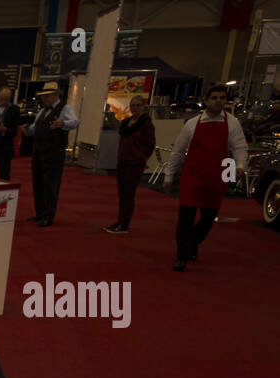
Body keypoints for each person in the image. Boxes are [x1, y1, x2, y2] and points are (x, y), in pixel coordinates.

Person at [164, 84, 249, 270]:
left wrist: (240, 166)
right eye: (214, 98)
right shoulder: (192, 124)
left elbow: (240, 147)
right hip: (192, 174)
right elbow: (178, 151)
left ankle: (193, 242)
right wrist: (169, 176)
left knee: (209, 217)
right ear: (206, 100)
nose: (218, 101)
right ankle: (181, 256)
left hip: (219, 175)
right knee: (186, 216)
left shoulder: (233, 123)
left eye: (221, 98)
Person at [25, 81, 78, 227]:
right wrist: (27, 130)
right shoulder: (43, 111)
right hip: (39, 151)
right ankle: (40, 213)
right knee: (38, 183)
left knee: (50, 185)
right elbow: (35, 128)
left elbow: (74, 122)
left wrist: (62, 124)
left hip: (54, 152)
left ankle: (48, 215)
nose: (44, 99)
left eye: (47, 96)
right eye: (43, 96)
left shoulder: (65, 108)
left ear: (55, 95)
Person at [105, 94, 157, 234]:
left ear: (143, 107)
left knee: (128, 193)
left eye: (138, 105)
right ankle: (120, 220)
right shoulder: (126, 122)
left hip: (135, 163)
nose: (135, 108)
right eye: (133, 105)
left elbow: (150, 144)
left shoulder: (146, 124)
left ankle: (124, 224)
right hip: (123, 161)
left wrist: (142, 158)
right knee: (122, 193)